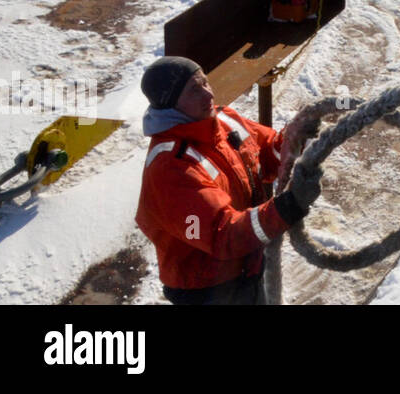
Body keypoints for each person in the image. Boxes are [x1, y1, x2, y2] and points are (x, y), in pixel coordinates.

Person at [135, 56, 320, 304]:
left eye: (204, 82)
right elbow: (223, 235)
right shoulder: (170, 167)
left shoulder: (223, 121)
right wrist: (287, 207)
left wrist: (294, 139)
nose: (208, 94)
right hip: (208, 291)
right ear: (170, 105)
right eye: (193, 89)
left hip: (248, 266)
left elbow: (268, 153)